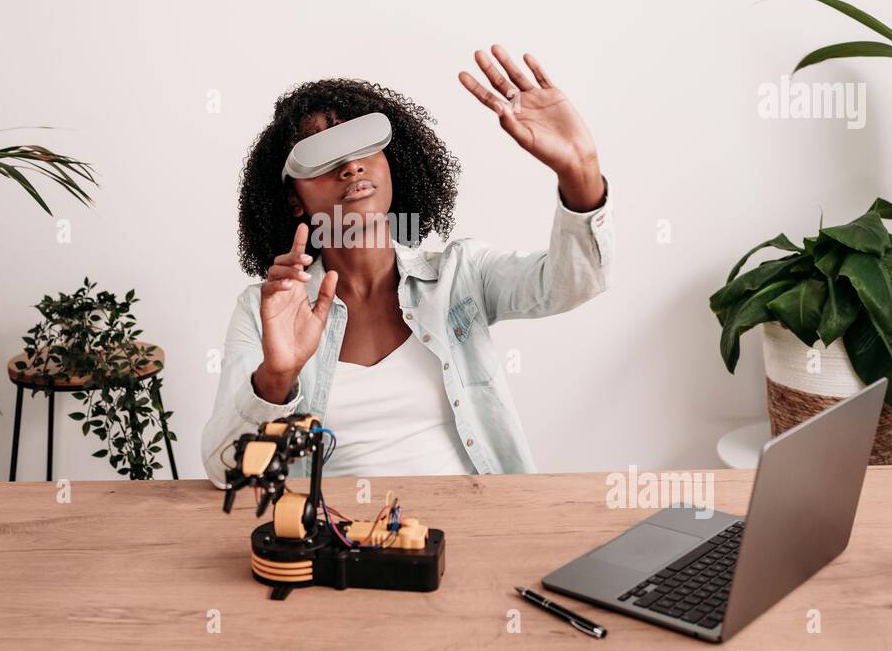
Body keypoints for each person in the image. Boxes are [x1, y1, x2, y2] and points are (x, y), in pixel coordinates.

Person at [201, 45, 613, 487]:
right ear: (292, 199)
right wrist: (276, 377)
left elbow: (573, 283)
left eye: (363, 145)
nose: (350, 165)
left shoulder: (459, 275)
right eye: (322, 156)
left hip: (477, 518)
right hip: (340, 528)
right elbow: (227, 471)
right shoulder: (265, 311)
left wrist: (581, 170)